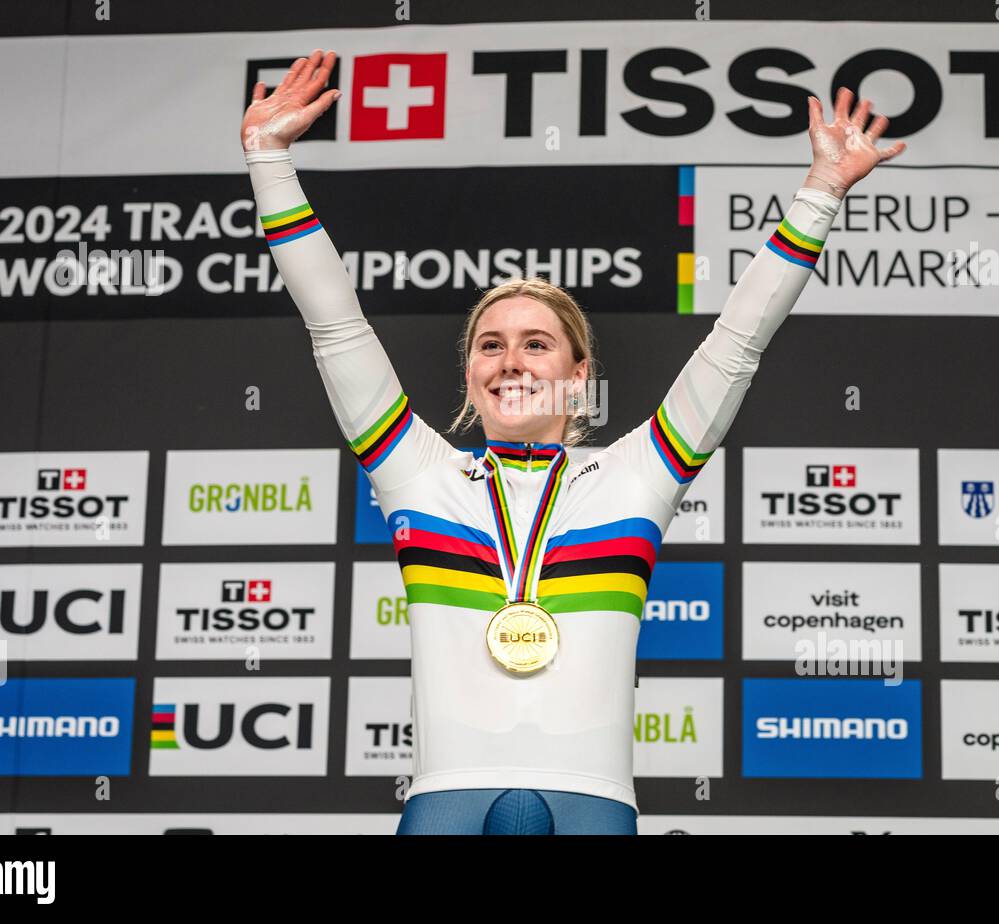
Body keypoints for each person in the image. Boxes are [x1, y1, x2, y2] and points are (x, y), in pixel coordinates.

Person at [240, 49, 906, 835]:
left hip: (592, 802)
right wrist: (269, 160)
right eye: (490, 345)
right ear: (468, 372)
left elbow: (737, 342)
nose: (511, 361)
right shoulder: (415, 472)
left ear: (579, 372)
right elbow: (335, 323)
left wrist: (822, 191)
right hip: (447, 798)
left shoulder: (638, 475)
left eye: (536, 343)